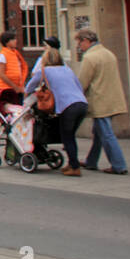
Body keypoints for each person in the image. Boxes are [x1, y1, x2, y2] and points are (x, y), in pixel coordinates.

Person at [24, 47, 89, 176]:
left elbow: (30, 87)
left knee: (67, 137)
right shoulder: (68, 70)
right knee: (70, 136)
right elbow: (79, 86)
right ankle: (72, 163)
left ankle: (75, 168)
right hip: (82, 104)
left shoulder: (45, 71)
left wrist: (25, 101)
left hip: (67, 106)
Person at [74, 29, 128, 174]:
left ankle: (119, 165)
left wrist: (75, 96)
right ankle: (91, 161)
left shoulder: (90, 57)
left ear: (86, 40)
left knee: (106, 133)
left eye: (79, 42)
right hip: (112, 98)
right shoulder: (108, 53)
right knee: (98, 132)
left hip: (100, 100)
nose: (79, 46)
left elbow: (83, 82)